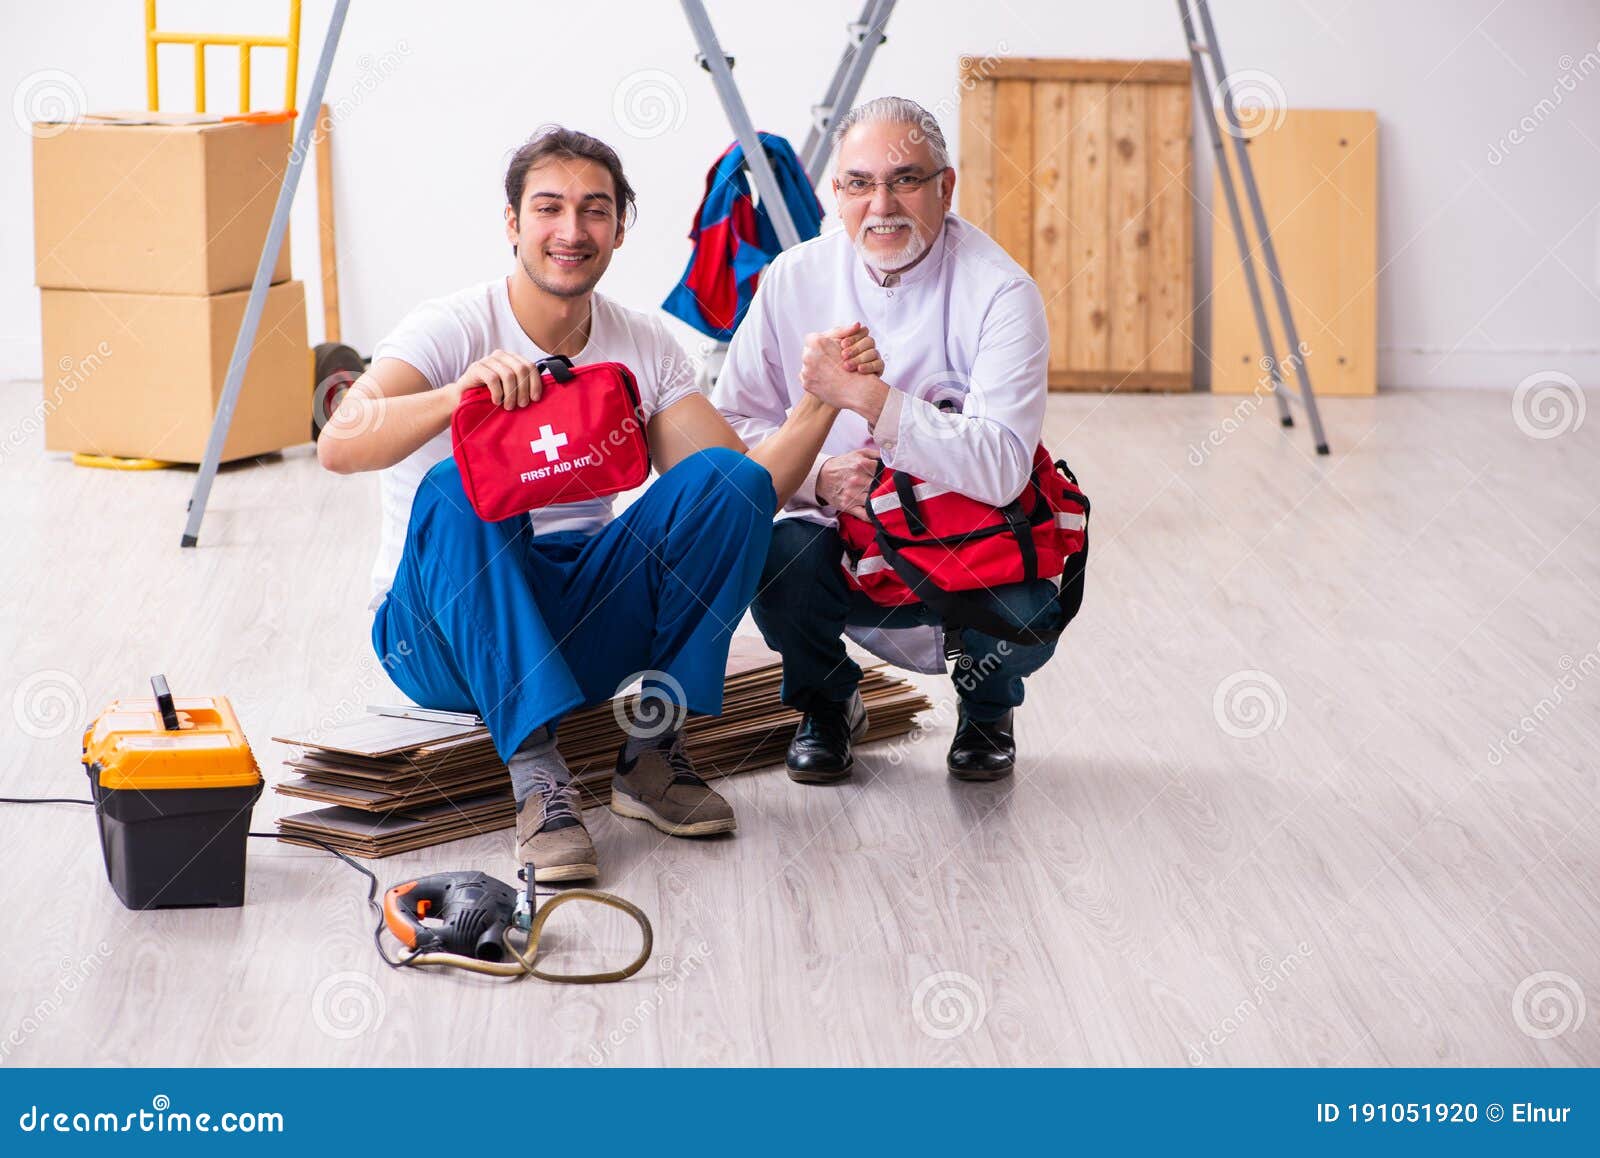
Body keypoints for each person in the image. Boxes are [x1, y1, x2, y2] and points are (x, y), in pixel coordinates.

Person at [318, 126, 882, 881]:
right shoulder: (451, 326)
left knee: (725, 478)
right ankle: (538, 778)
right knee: (456, 486)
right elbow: (340, 444)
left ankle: (651, 755)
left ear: (619, 228)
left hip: (580, 623)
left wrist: (819, 403)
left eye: (594, 210)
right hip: (439, 635)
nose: (571, 231)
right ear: (513, 224)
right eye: (548, 209)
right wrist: (459, 398)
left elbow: (744, 492)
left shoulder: (641, 342)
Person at [713, 97, 1062, 785]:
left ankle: (986, 704)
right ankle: (829, 700)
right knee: (769, 549)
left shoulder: (1000, 292)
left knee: (1029, 607)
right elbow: (729, 431)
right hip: (835, 540)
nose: (882, 204)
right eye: (858, 183)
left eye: (905, 178)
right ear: (836, 192)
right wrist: (816, 477)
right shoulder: (793, 278)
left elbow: (1000, 468)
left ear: (945, 187)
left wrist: (867, 399)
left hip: (962, 544)